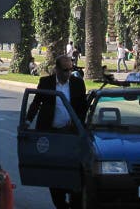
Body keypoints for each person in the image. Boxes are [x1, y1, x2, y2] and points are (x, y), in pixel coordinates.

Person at [25, 55, 88, 209]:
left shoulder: (78, 84)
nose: (68, 73)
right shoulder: (46, 82)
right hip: (51, 134)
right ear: (57, 69)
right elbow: (36, 102)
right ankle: (60, 204)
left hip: (71, 135)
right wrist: (27, 121)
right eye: (65, 70)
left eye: (70, 69)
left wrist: (78, 124)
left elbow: (83, 108)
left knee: (74, 171)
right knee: (53, 173)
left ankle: (75, 201)